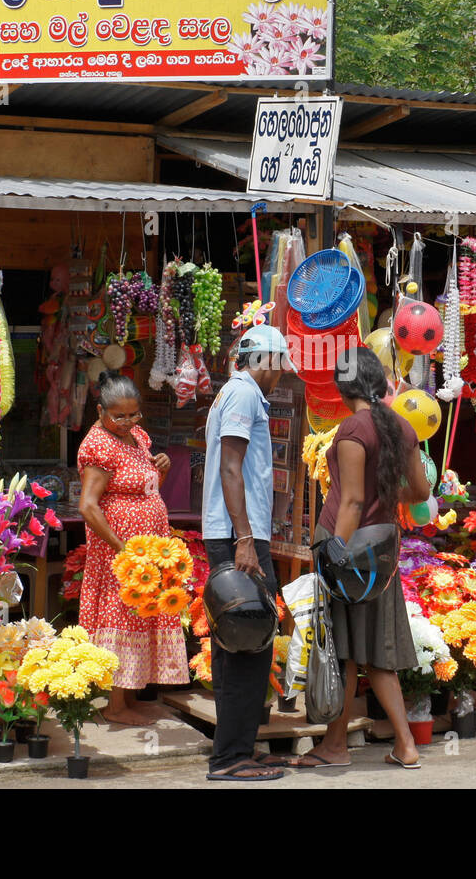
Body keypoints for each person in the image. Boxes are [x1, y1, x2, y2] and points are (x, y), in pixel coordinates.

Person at [296, 346, 431, 771]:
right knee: (369, 649)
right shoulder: (400, 426)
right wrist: (384, 495)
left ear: (342, 387)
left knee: (342, 647)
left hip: (347, 550)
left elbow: (351, 501)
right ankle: (404, 744)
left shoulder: (353, 429)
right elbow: (420, 492)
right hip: (382, 552)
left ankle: (336, 747)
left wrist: (335, 547)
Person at [201, 325, 294, 782]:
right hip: (239, 537)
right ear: (267, 361)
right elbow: (231, 467)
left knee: (239, 641)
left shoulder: (234, 393)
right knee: (248, 640)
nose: (281, 379)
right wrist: (243, 539)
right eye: (279, 368)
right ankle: (230, 758)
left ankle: (237, 748)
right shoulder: (241, 395)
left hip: (240, 533)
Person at [76, 371, 184, 726]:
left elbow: (143, 486)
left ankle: (130, 698)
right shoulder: (98, 446)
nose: (127, 422)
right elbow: (89, 506)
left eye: (133, 414)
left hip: (146, 548)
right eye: (118, 415)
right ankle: (115, 706)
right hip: (119, 552)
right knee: (122, 616)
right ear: (100, 411)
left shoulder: (137, 436)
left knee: (140, 615)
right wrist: (123, 549)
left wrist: (162, 466)